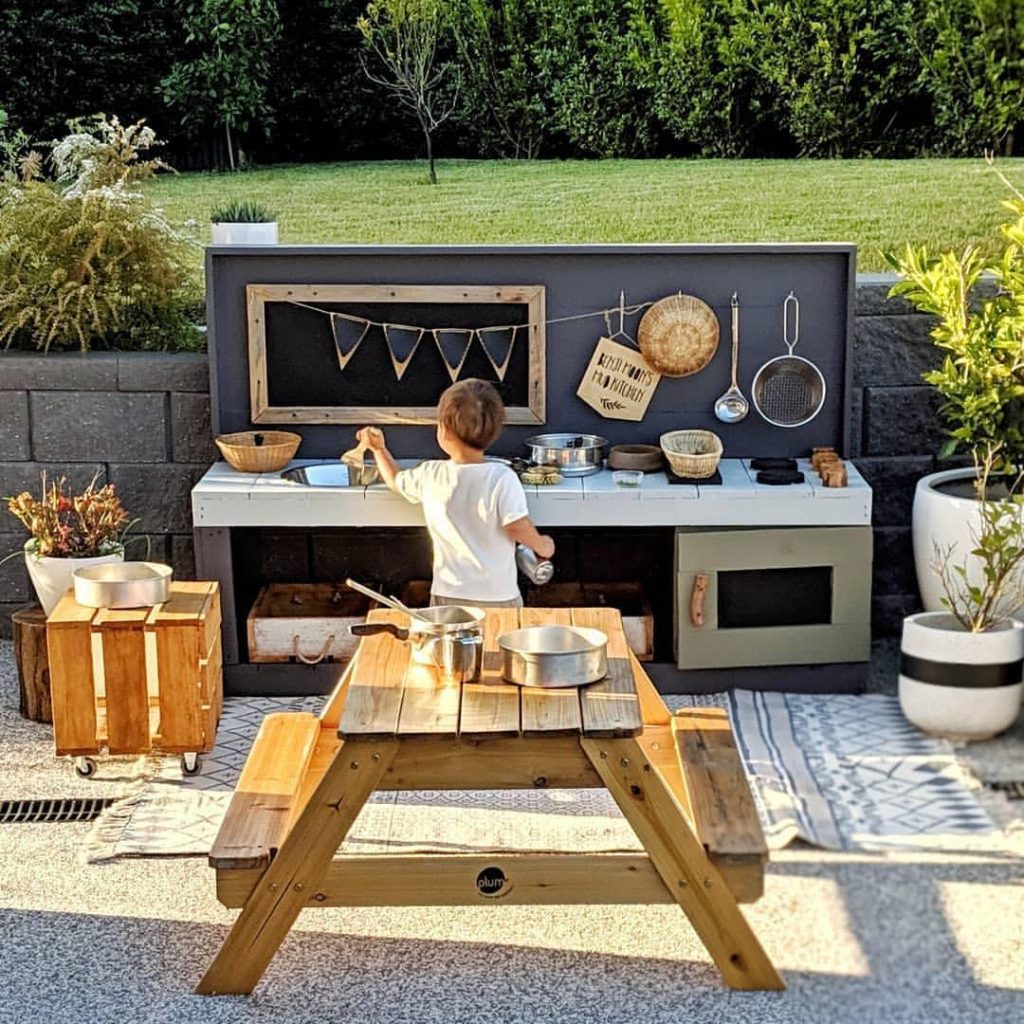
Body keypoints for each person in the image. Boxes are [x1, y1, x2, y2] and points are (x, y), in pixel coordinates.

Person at [356, 379, 554, 607]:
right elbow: (517, 527)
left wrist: (379, 450)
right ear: (495, 431)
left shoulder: (431, 474)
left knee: (446, 633)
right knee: (501, 632)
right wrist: (542, 545)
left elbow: (394, 480)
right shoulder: (502, 477)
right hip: (498, 595)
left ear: (444, 431)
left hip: (448, 593)